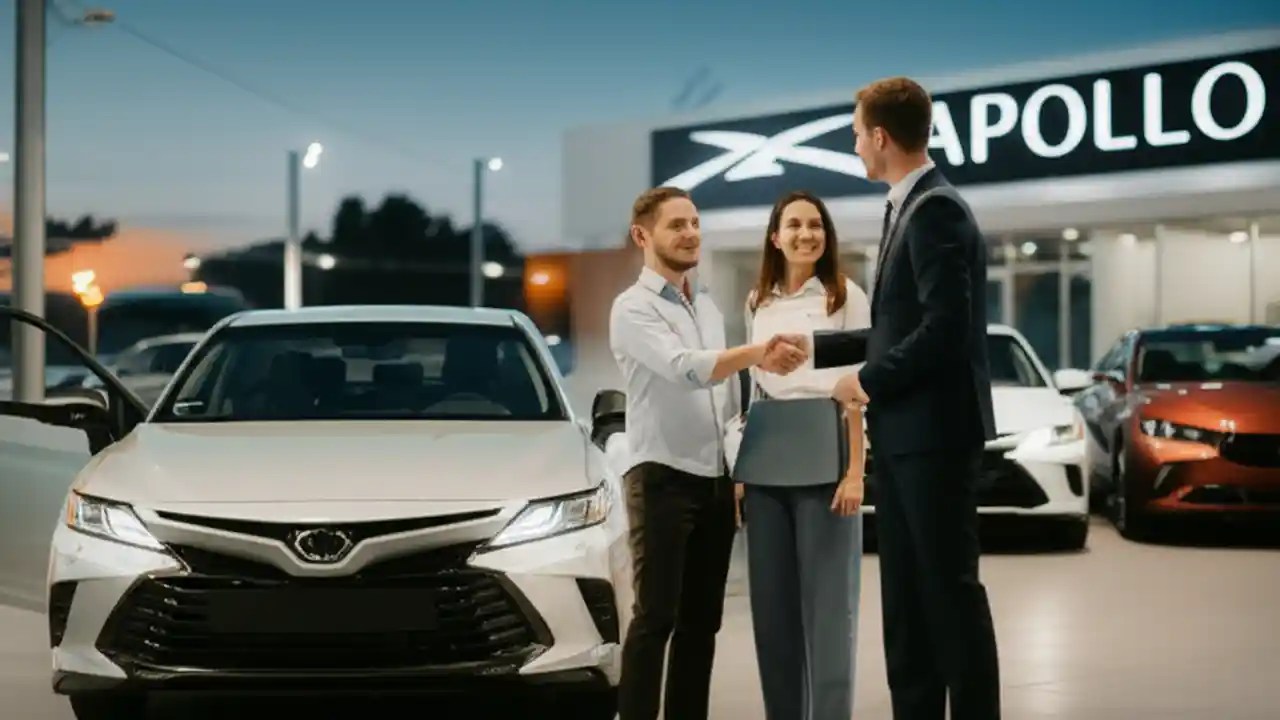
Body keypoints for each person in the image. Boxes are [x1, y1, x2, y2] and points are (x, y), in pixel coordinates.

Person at [794, 77, 1002, 720]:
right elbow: (902, 326)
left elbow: (944, 330)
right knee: (908, 608)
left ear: (880, 136)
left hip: (935, 440)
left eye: (857, 133)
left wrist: (866, 381)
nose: (855, 145)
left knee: (948, 600)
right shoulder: (908, 206)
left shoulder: (935, 210)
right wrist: (815, 348)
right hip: (911, 439)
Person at [608, 185, 807, 720]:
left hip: (715, 480)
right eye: (677, 224)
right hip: (661, 477)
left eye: (694, 222)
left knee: (703, 624)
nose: (691, 232)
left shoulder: (709, 305)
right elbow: (686, 368)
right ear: (642, 235)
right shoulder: (632, 308)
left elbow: (724, 399)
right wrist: (757, 352)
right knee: (654, 620)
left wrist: (735, 469)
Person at [739, 190, 870, 720]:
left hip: (826, 446)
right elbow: (753, 390)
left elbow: (860, 388)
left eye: (815, 224)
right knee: (772, 613)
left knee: (828, 611)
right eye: (793, 225)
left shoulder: (844, 295)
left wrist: (856, 471)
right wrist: (740, 472)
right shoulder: (758, 302)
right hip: (766, 452)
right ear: (775, 236)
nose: (806, 234)